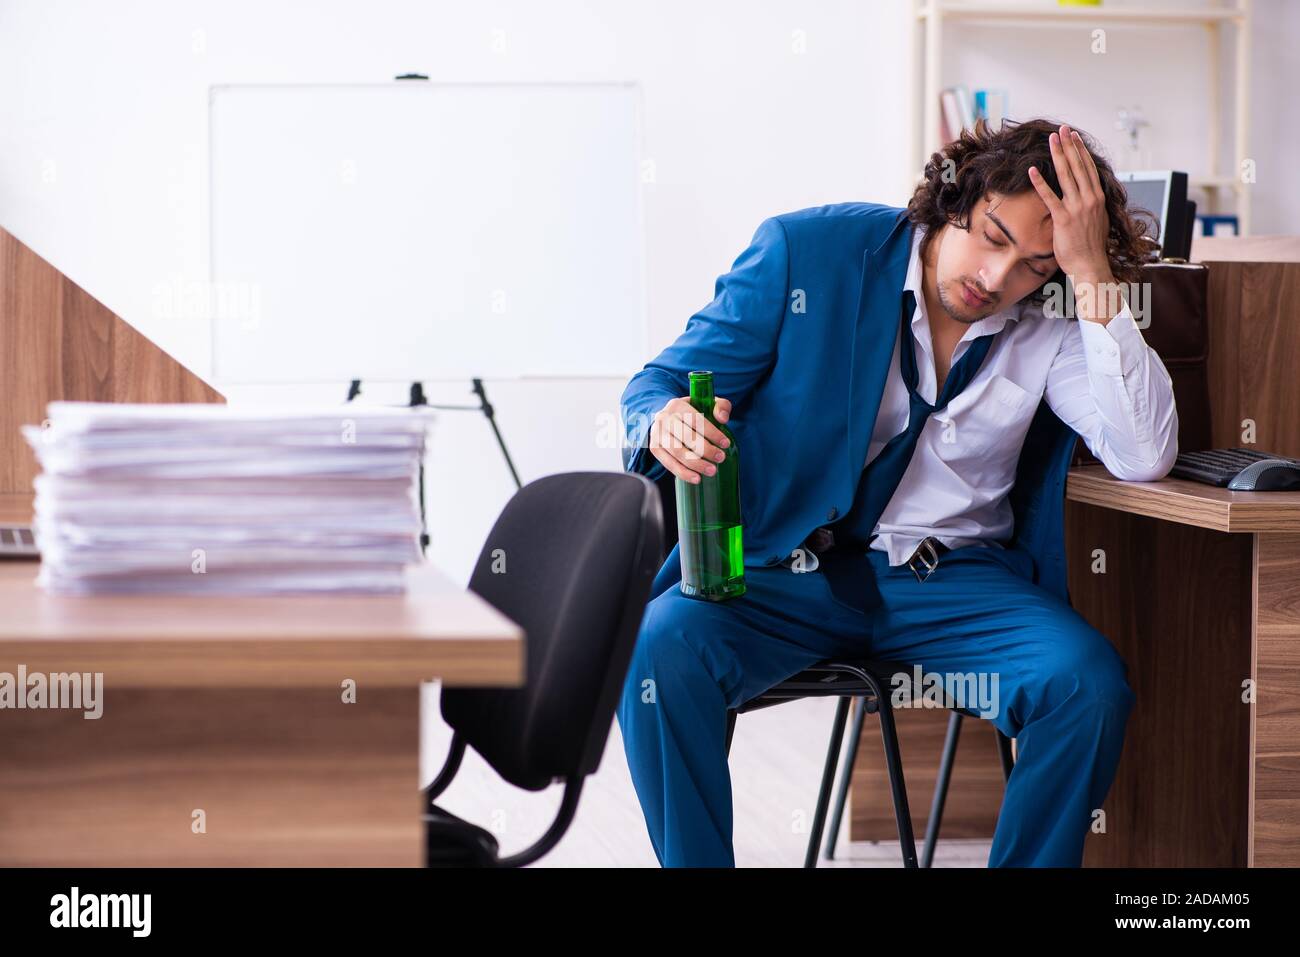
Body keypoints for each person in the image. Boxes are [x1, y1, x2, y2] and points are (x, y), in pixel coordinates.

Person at [616, 118, 1179, 867]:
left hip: (953, 586)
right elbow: (655, 384)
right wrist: (667, 421)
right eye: (992, 235)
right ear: (958, 198)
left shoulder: (1052, 320)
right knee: (660, 649)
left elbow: (1143, 456)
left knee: (1084, 684)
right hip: (785, 572)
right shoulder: (805, 255)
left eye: (1034, 265)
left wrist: (1091, 279)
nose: (997, 277)